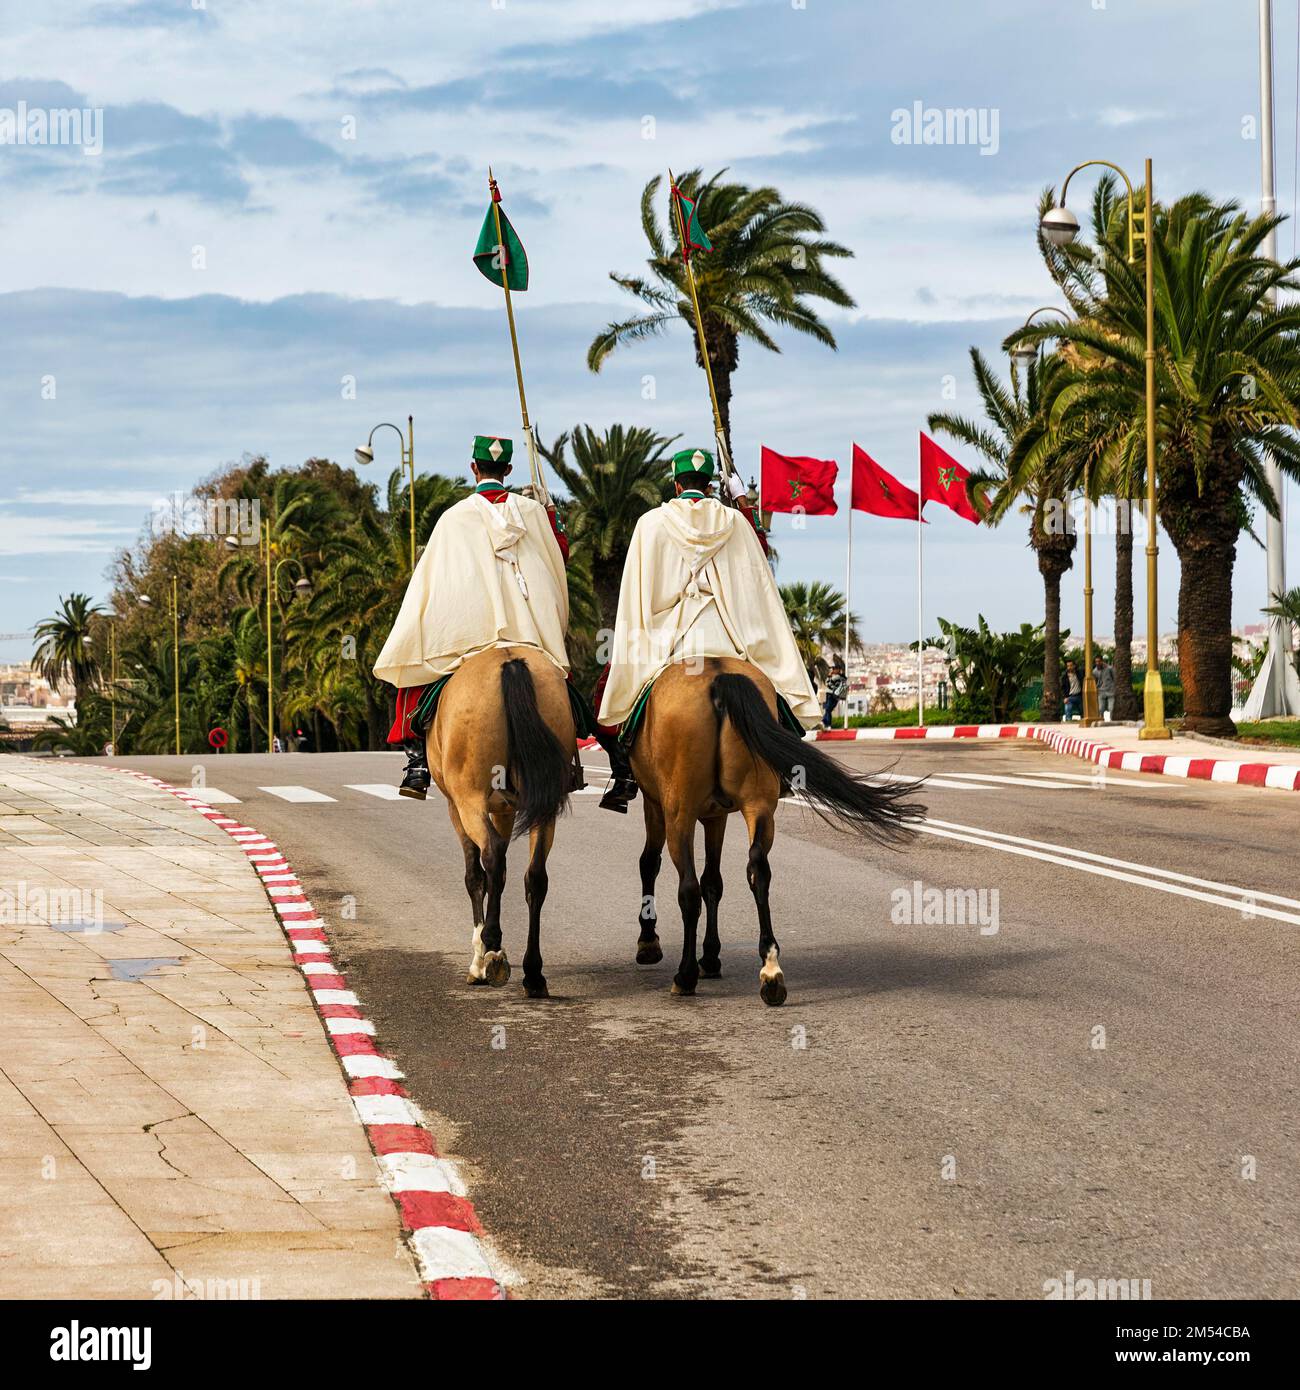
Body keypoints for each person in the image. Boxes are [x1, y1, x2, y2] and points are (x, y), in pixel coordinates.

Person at [596, 446, 818, 811]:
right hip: (730, 631)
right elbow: (759, 560)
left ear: (675, 482)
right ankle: (785, 769)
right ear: (712, 484)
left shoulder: (651, 523)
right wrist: (742, 500)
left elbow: (639, 590)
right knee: (776, 693)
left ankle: (625, 776)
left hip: (672, 633)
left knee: (610, 690)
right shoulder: (735, 522)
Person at [374, 435, 570, 798]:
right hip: (526, 629)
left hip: (472, 632)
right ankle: (569, 763)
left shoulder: (454, 518)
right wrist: (553, 516)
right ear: (509, 470)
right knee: (559, 687)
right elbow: (559, 558)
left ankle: (417, 765)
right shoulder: (532, 513)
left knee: (416, 675)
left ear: (473, 468)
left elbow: (432, 584)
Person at [823, 656, 848, 729]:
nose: (832, 670)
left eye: (834, 669)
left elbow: (828, 684)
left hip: (831, 695)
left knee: (828, 709)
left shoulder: (836, 677)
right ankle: (825, 723)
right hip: (836, 696)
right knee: (828, 710)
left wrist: (829, 676)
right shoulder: (842, 677)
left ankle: (827, 724)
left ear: (838, 670)